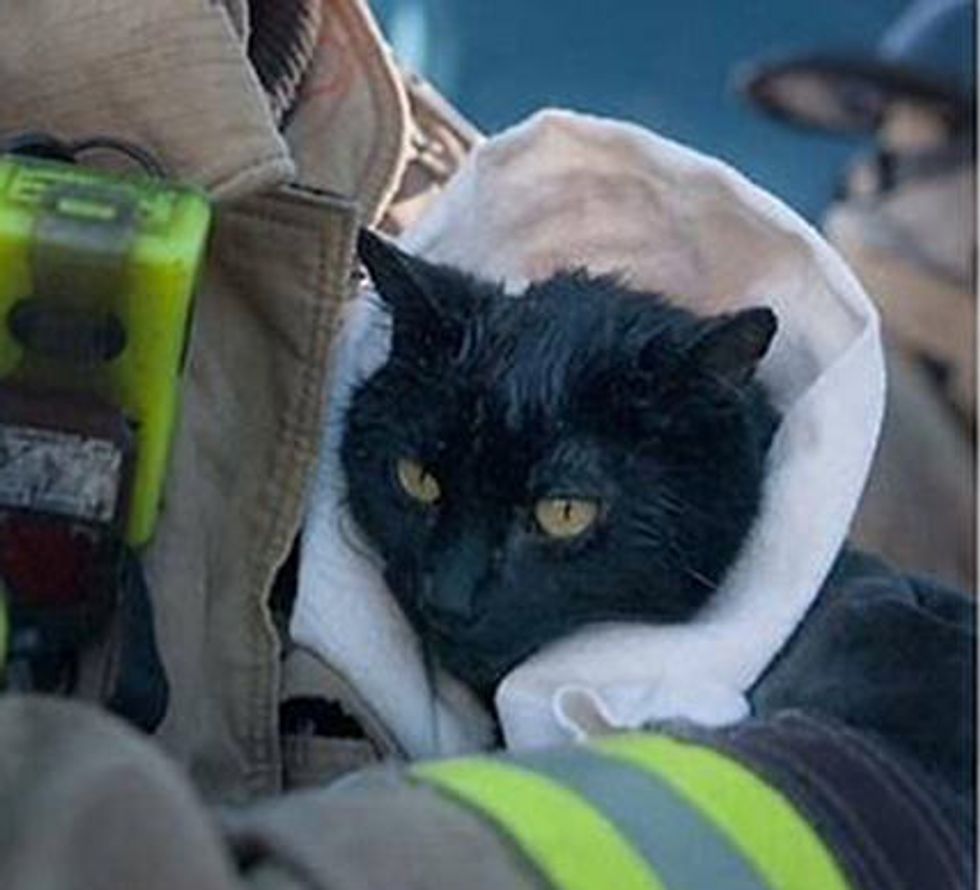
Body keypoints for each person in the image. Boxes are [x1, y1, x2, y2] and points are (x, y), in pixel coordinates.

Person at [0, 2, 973, 888]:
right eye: (872, 156)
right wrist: (841, 807)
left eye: (904, 159)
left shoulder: (379, 146)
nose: (447, 596)